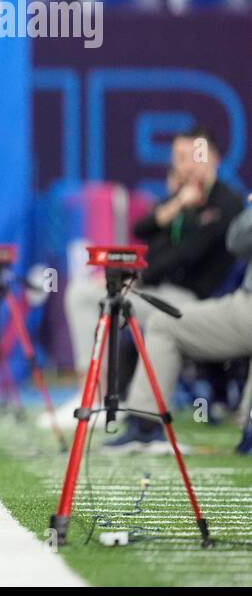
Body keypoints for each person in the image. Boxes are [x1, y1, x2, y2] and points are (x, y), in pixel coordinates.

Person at [53, 128, 245, 427]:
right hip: (157, 291)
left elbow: (187, 255)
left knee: (113, 304)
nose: (187, 164)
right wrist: (178, 204)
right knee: (82, 293)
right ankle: (91, 392)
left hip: (192, 301)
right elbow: (143, 229)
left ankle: (119, 407)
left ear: (214, 158)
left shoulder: (228, 202)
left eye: (194, 155)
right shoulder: (180, 201)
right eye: (180, 158)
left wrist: (135, 278)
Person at [104, 195, 252, 452]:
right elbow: (237, 242)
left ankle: (146, 426)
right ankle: (144, 422)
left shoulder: (222, 199)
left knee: (163, 324)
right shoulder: (179, 201)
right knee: (163, 323)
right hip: (240, 304)